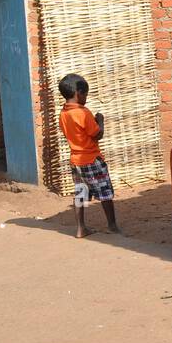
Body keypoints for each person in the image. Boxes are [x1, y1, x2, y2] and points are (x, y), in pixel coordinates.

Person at [57, 73, 119, 238]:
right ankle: (112, 225)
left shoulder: (63, 114)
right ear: (79, 93)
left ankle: (80, 228)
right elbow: (97, 134)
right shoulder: (83, 113)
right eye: (85, 95)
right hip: (92, 159)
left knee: (80, 193)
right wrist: (100, 120)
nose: (86, 98)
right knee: (105, 193)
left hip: (76, 161)